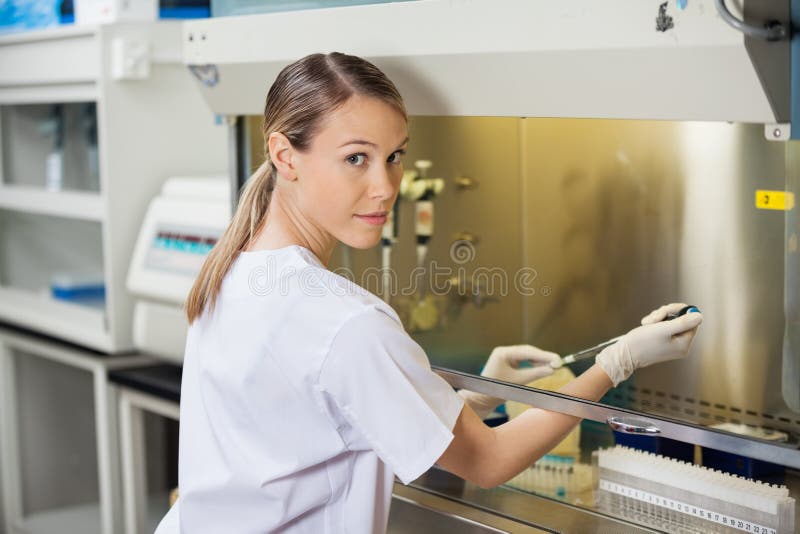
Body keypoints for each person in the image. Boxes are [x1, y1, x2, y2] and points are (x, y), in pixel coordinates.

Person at [154, 52, 702, 534]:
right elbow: (488, 462)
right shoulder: (346, 323)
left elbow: (321, 431)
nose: (385, 187)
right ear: (284, 155)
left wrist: (475, 399)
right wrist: (618, 361)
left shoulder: (231, 272)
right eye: (356, 158)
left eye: (394, 156)